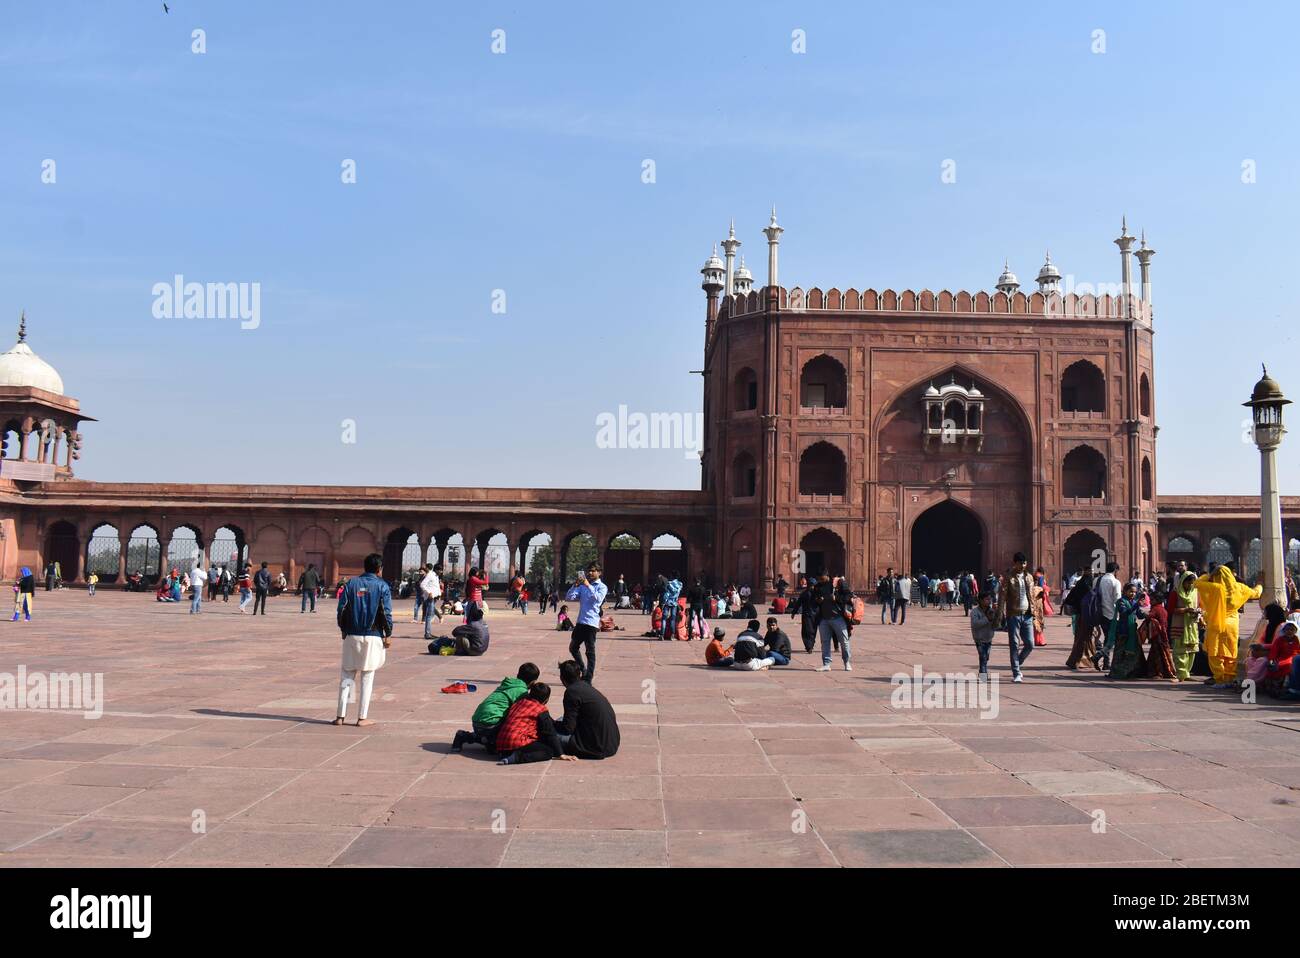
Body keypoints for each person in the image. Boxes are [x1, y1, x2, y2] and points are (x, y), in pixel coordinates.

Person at [333, 553, 392, 727]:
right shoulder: (382, 586)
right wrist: (388, 633)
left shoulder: (351, 584)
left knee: (347, 675)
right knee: (367, 676)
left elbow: (341, 609)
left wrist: (343, 629)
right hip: (373, 635)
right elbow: (386, 612)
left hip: (352, 633)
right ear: (379, 569)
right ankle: (362, 717)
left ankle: (340, 716)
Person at [1194, 565, 1263, 689]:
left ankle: (1219, 679)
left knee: (1215, 653)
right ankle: (1229, 678)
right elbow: (1256, 593)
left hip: (1216, 624)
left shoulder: (1215, 588)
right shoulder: (1239, 588)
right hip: (1232, 625)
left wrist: (1209, 575)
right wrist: (1260, 583)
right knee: (1230, 653)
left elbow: (1197, 583)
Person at [452, 662, 540, 753]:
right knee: (511, 732)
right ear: (533, 682)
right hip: (490, 724)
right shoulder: (521, 691)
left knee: (493, 740)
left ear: (518, 675)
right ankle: (469, 737)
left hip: (477, 721)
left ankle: (487, 740)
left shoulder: (509, 684)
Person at [554, 660, 620, 759]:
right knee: (560, 719)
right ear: (579, 674)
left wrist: (551, 724)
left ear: (561, 678)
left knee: (549, 734)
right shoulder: (586, 687)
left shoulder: (571, 692)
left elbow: (567, 729)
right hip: (612, 744)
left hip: (595, 748)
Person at [998, 552, 1041, 684]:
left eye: (1024, 563)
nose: (1022, 565)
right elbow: (1002, 596)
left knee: (1029, 644)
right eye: (1020, 563)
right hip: (1014, 615)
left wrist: (1036, 615)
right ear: (1014, 563)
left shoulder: (1029, 577)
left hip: (1027, 614)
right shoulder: (1008, 577)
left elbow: (1032, 596)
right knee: (1014, 644)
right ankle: (1016, 672)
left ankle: (1018, 662)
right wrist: (1000, 614)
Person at [563, 563, 608, 682]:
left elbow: (597, 599)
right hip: (581, 621)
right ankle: (583, 668)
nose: (590, 573)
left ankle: (588, 678)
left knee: (590, 651)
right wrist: (575, 585)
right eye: (588, 571)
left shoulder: (602, 587)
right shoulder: (583, 586)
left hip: (591, 623)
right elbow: (569, 597)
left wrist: (588, 586)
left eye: (593, 571)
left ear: (599, 572)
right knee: (573, 647)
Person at [1107, 582, 1148, 680]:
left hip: (1132, 631)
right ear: (1125, 591)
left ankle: (1132, 672)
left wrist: (1148, 614)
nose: (1133, 594)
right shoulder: (1121, 601)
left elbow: (1138, 615)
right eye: (1131, 592)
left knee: (1135, 652)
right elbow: (1125, 613)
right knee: (1120, 653)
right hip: (1123, 631)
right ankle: (1117, 673)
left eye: (1134, 592)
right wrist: (1136, 605)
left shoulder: (1134, 602)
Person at [1166, 571, 1202, 680]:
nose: (1190, 585)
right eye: (1188, 583)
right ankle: (1180, 674)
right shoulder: (1175, 593)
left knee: (1191, 651)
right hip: (1179, 625)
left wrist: (1199, 614)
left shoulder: (1196, 592)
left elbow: (1201, 606)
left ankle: (1187, 673)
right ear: (1183, 582)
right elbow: (1170, 609)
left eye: (1192, 583)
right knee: (1180, 651)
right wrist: (1185, 610)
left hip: (1192, 625)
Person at [814, 575, 853, 672]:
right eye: (820, 579)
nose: (821, 581)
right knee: (825, 642)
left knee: (844, 641)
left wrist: (837, 598)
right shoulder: (818, 586)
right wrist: (818, 600)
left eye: (822, 579)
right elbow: (815, 600)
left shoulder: (838, 583)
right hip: (824, 618)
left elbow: (848, 596)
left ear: (827, 576)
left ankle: (846, 662)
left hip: (838, 617)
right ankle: (826, 664)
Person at [1062, 572, 1100, 670]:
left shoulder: (1078, 588)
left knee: (1083, 639)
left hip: (1079, 616)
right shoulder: (1089, 591)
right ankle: (1076, 661)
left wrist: (1076, 608)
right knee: (1083, 639)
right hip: (1086, 618)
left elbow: (1068, 600)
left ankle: (1086, 661)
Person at [1094, 562, 1123, 671]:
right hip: (1111, 614)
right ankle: (1099, 658)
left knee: (1108, 638)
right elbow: (1118, 600)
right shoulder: (1115, 582)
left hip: (1100, 613)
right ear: (1115, 570)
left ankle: (1106, 662)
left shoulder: (1097, 580)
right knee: (1111, 639)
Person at [1142, 603, 1177, 680]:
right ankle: (1166, 671)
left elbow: (1149, 616)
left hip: (1157, 635)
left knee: (1157, 654)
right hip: (1163, 634)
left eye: (1153, 599)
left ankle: (1159, 673)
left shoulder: (1155, 609)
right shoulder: (1163, 609)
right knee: (1163, 653)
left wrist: (1143, 613)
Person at [969, 591, 996, 677]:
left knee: (985, 657)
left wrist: (999, 613)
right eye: (987, 599)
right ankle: (983, 674)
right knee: (983, 656)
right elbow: (975, 624)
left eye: (990, 599)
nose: (989, 601)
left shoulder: (991, 611)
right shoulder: (975, 612)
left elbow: (999, 625)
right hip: (979, 639)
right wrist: (987, 618)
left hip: (989, 638)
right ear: (980, 600)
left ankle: (982, 670)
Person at [660, 570, 682, 640]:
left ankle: (662, 635)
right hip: (674, 603)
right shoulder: (680, 584)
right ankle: (672, 635)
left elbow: (666, 594)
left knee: (664, 619)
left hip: (667, 603)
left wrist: (663, 602)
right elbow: (677, 593)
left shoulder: (668, 583)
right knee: (673, 619)